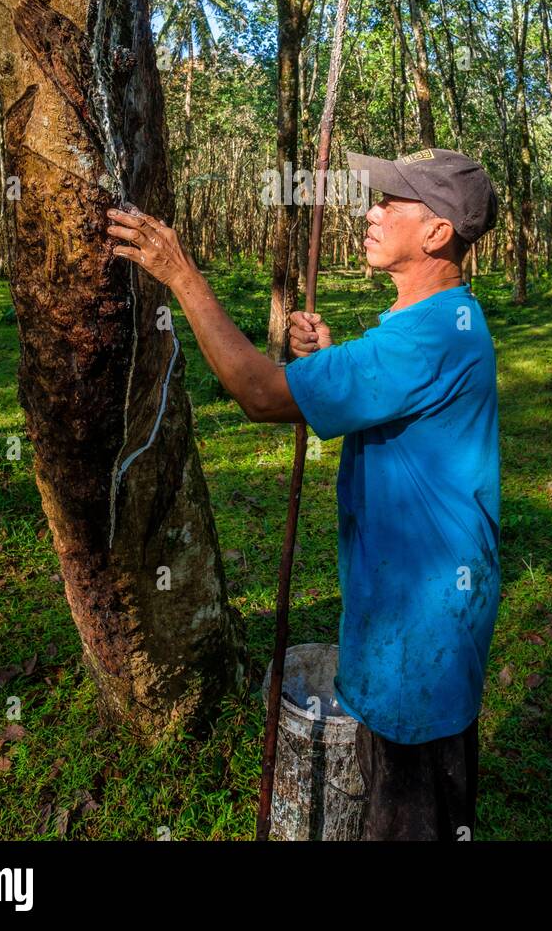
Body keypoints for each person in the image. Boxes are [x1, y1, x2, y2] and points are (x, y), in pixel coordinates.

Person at [106, 145, 500, 842]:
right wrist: (325, 363)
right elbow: (390, 396)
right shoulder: (432, 323)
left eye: (391, 204)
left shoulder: (430, 337)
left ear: (437, 233)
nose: (371, 213)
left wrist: (181, 275)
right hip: (408, 613)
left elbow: (261, 395)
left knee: (413, 812)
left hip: (423, 626)